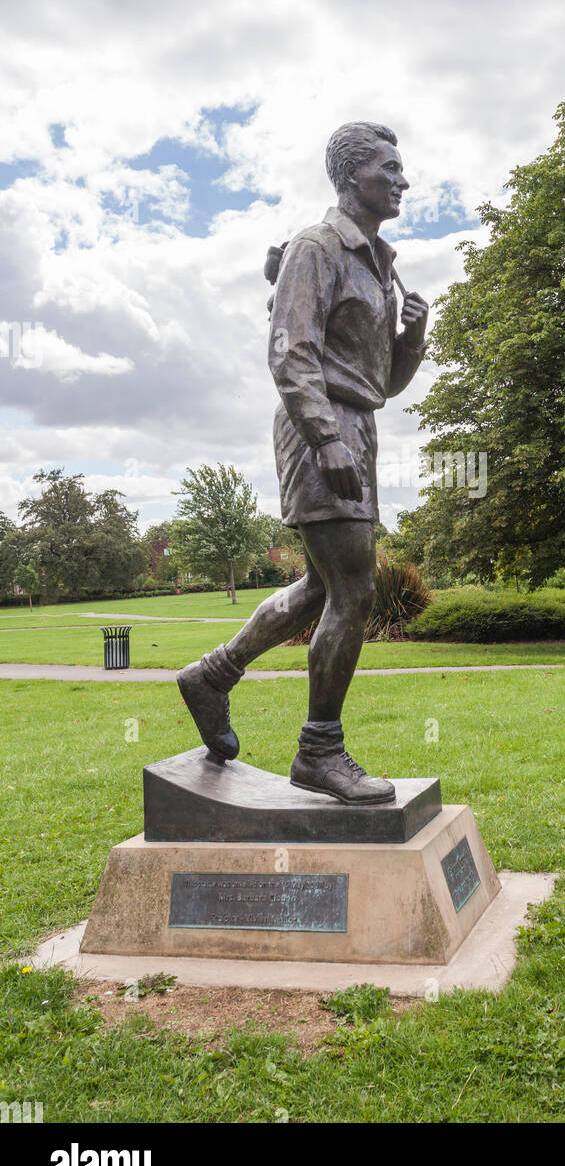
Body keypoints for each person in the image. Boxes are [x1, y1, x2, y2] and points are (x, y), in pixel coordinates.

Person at [177, 122, 428, 804]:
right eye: (390, 168)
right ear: (351, 177)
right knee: (355, 591)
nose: (403, 180)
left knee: (322, 591)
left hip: (354, 422)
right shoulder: (317, 249)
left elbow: (381, 383)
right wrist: (326, 437)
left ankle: (212, 675)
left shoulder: (378, 261)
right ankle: (319, 752)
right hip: (320, 426)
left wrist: (413, 337)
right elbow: (290, 352)